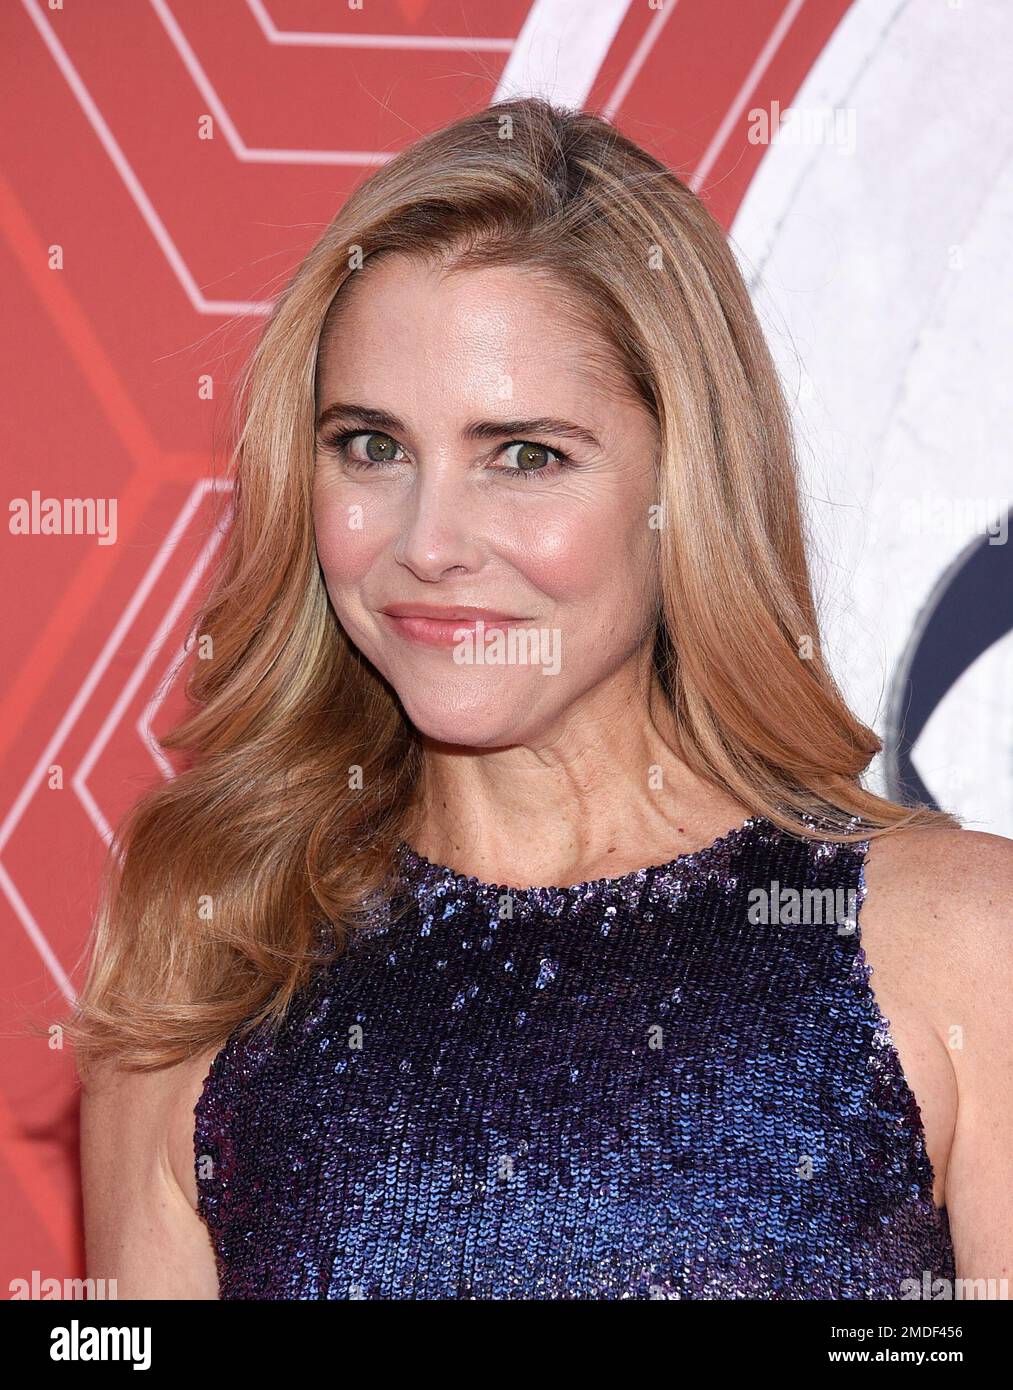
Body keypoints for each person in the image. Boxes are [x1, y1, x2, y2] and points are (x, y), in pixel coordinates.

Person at [72, 97, 1012, 1300]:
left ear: (685, 485)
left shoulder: (957, 942)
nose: (429, 541)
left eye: (523, 456)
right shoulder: (213, 954)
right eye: (370, 445)